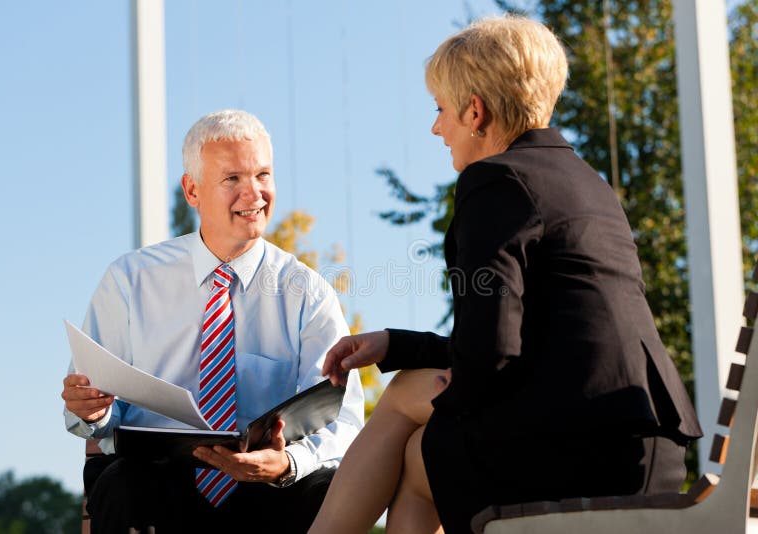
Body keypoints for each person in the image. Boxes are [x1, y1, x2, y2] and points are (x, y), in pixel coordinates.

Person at [309, 15, 702, 534]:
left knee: (409, 404)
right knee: (419, 451)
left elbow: (491, 349)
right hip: (642, 445)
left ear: (476, 111)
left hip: (582, 450)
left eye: (440, 110)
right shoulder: (584, 182)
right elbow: (522, 340)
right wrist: (395, 342)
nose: (436, 128)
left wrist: (448, 390)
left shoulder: (497, 182)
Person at [61, 109, 364, 533]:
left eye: (263, 174)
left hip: (268, 481)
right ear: (192, 190)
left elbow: (345, 419)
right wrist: (91, 410)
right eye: (233, 179)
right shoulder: (129, 280)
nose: (254, 193)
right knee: (123, 486)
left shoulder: (307, 291)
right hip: (155, 477)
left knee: (328, 489)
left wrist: (288, 463)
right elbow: (88, 417)